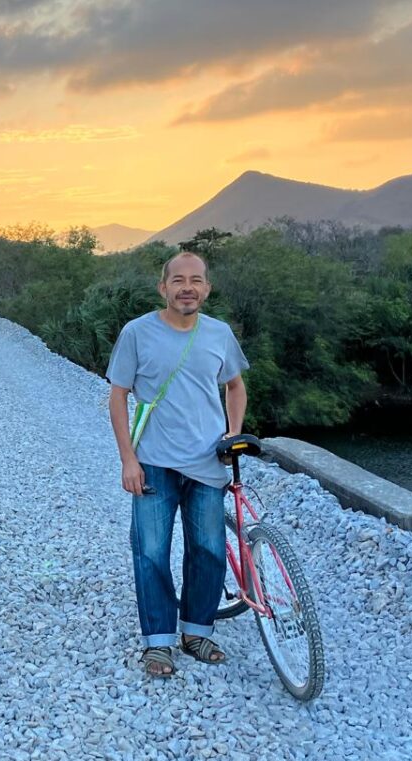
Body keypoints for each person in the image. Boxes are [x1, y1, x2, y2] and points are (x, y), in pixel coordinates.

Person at [106, 251, 249, 678]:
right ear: (163, 287)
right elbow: (117, 397)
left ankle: (197, 632)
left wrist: (233, 432)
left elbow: (236, 387)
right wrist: (127, 459)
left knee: (206, 550)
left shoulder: (219, 334)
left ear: (207, 288)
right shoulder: (137, 333)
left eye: (197, 280)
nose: (188, 287)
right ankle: (159, 643)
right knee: (151, 553)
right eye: (179, 280)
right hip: (152, 464)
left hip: (207, 463)